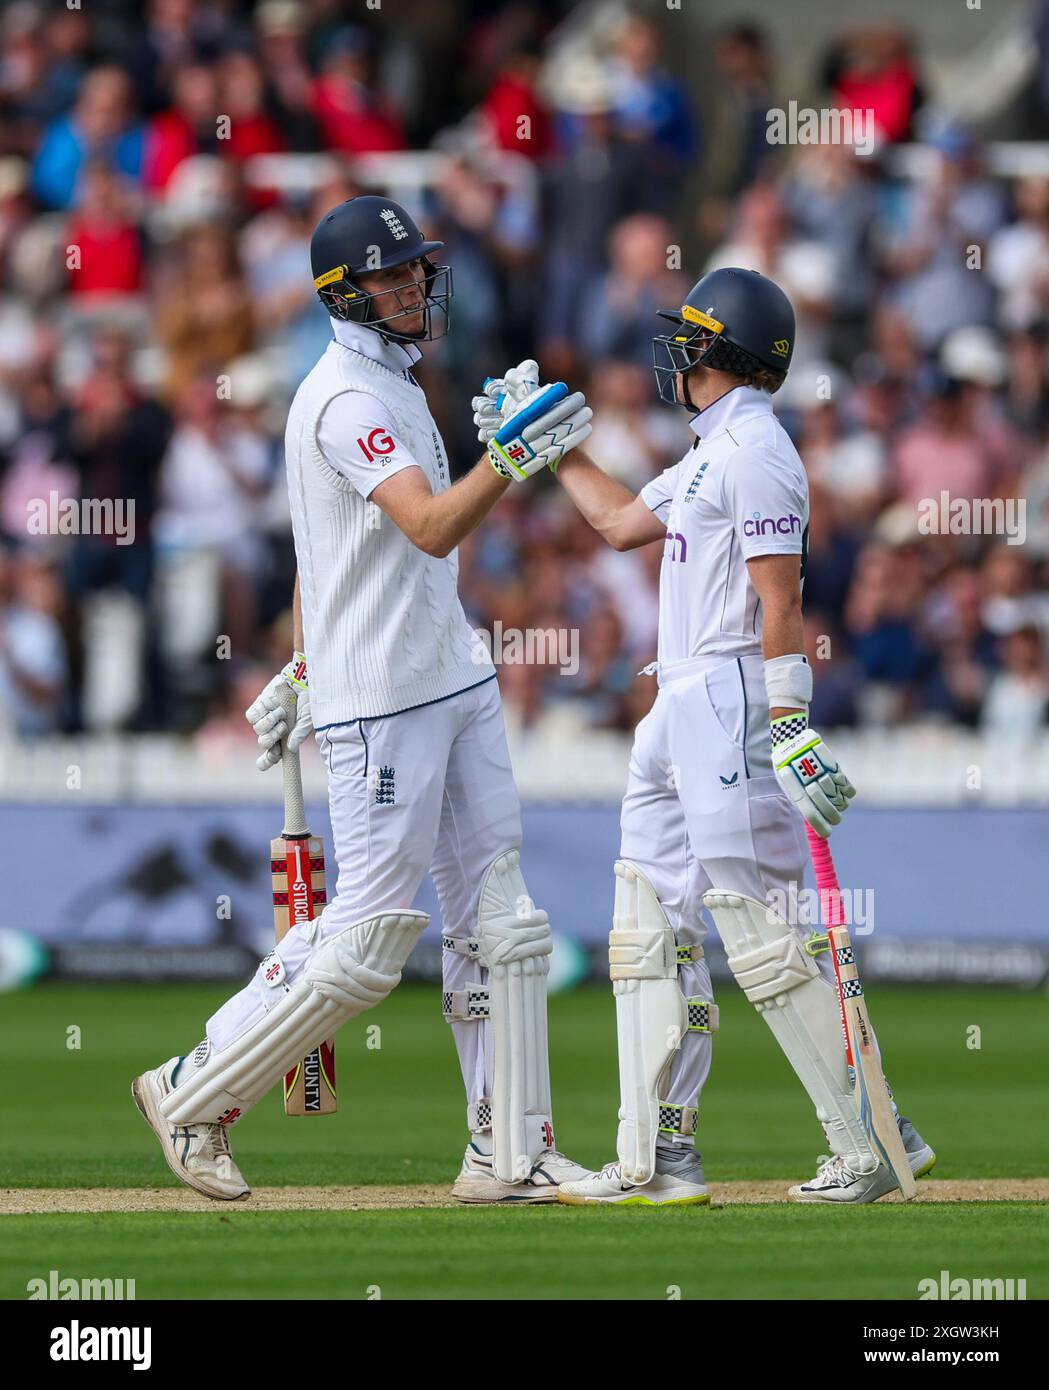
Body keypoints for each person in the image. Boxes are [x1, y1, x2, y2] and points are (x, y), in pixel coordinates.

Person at [132, 195, 594, 1204]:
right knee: (370, 936)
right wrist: (515, 457)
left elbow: (327, 553)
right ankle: (190, 1088)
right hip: (385, 699)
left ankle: (506, 1149)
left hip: (451, 673)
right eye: (391, 277)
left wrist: (298, 665)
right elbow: (428, 528)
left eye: (417, 270)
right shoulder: (343, 399)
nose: (414, 288)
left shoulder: (392, 383)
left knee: (500, 920)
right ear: (344, 293)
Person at [526, 267, 934, 1205]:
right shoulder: (712, 448)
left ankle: (865, 1139)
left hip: (729, 697)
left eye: (689, 338)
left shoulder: (759, 451)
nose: (674, 354)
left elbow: (778, 596)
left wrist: (789, 725)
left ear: (718, 351)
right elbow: (621, 522)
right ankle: (659, 1155)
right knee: (649, 924)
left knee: (755, 928)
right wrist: (548, 448)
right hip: (676, 700)